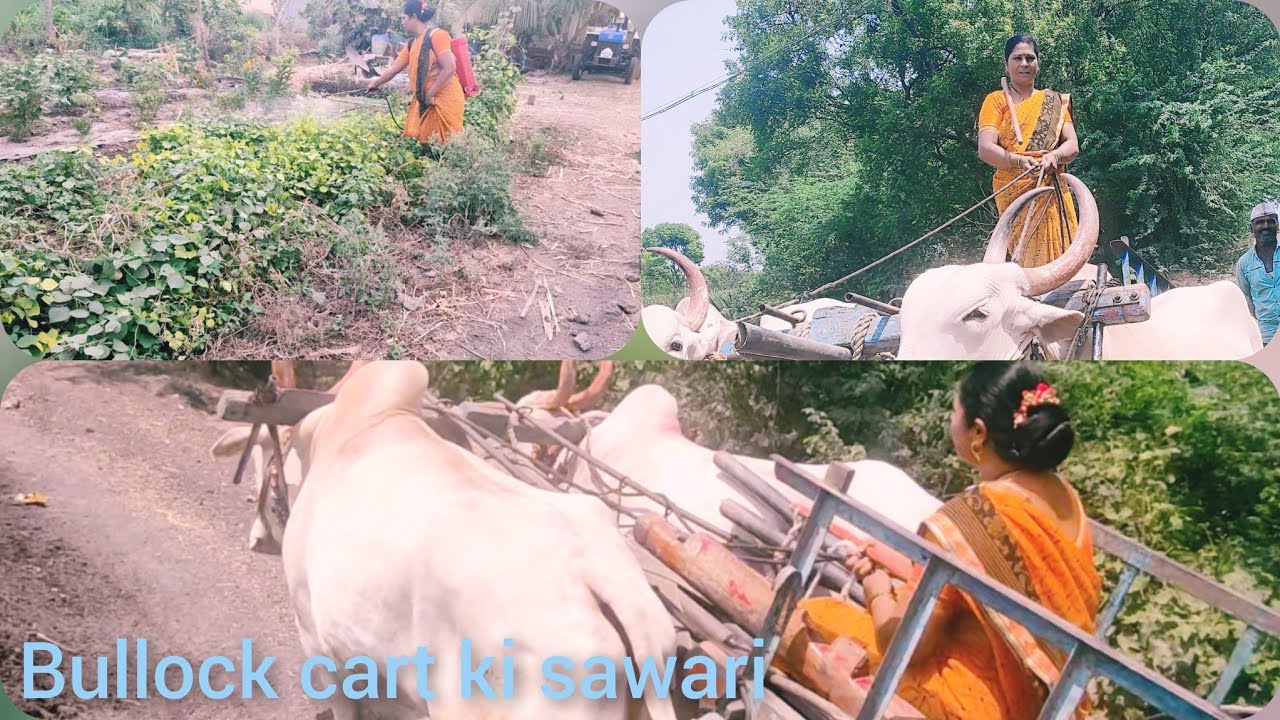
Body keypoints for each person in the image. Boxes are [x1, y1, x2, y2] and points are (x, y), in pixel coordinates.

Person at [793, 363, 1101, 720]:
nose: (950, 422)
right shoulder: (1068, 499)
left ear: (979, 433)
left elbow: (904, 647)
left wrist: (876, 585)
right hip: (1045, 705)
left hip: (964, 707)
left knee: (816, 615)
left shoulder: (967, 520)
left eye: (954, 413)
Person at [977, 34, 1081, 269]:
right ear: (1006, 64)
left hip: (1052, 184)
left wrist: (1054, 156)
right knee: (1025, 258)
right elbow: (986, 149)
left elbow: (1072, 145)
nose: (1024, 63)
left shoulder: (1054, 101)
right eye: (1017, 58)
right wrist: (1018, 161)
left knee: (1066, 256)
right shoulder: (996, 101)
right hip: (1015, 187)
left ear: (1038, 63)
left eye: (1030, 58)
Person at [365, 0, 465, 145]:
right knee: (428, 142)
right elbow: (393, 69)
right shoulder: (412, 43)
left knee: (448, 144)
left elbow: (449, 68)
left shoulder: (438, 35)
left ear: (413, 17)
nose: (401, 22)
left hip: (444, 98)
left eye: (403, 18)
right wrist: (375, 82)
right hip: (426, 99)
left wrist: (430, 93)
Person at [1235, 202, 1279, 345]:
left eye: (1270, 221)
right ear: (1251, 228)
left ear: (1277, 225)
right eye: (1260, 222)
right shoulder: (1244, 264)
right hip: (1265, 338)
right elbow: (1247, 302)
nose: (1266, 226)